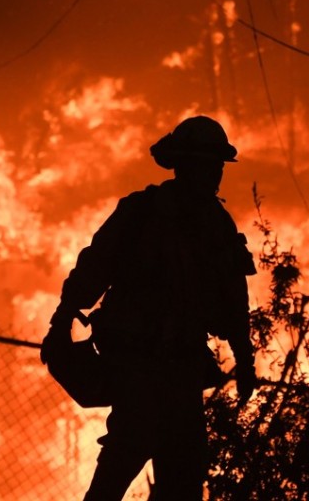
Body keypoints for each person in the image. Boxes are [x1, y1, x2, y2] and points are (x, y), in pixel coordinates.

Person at [41, 115, 257, 500]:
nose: (215, 174)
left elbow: (233, 299)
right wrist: (60, 324)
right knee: (122, 462)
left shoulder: (217, 226)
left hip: (183, 372)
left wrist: (245, 359)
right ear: (184, 165)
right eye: (208, 164)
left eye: (218, 166)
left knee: (183, 482)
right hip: (136, 366)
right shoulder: (140, 213)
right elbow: (93, 268)